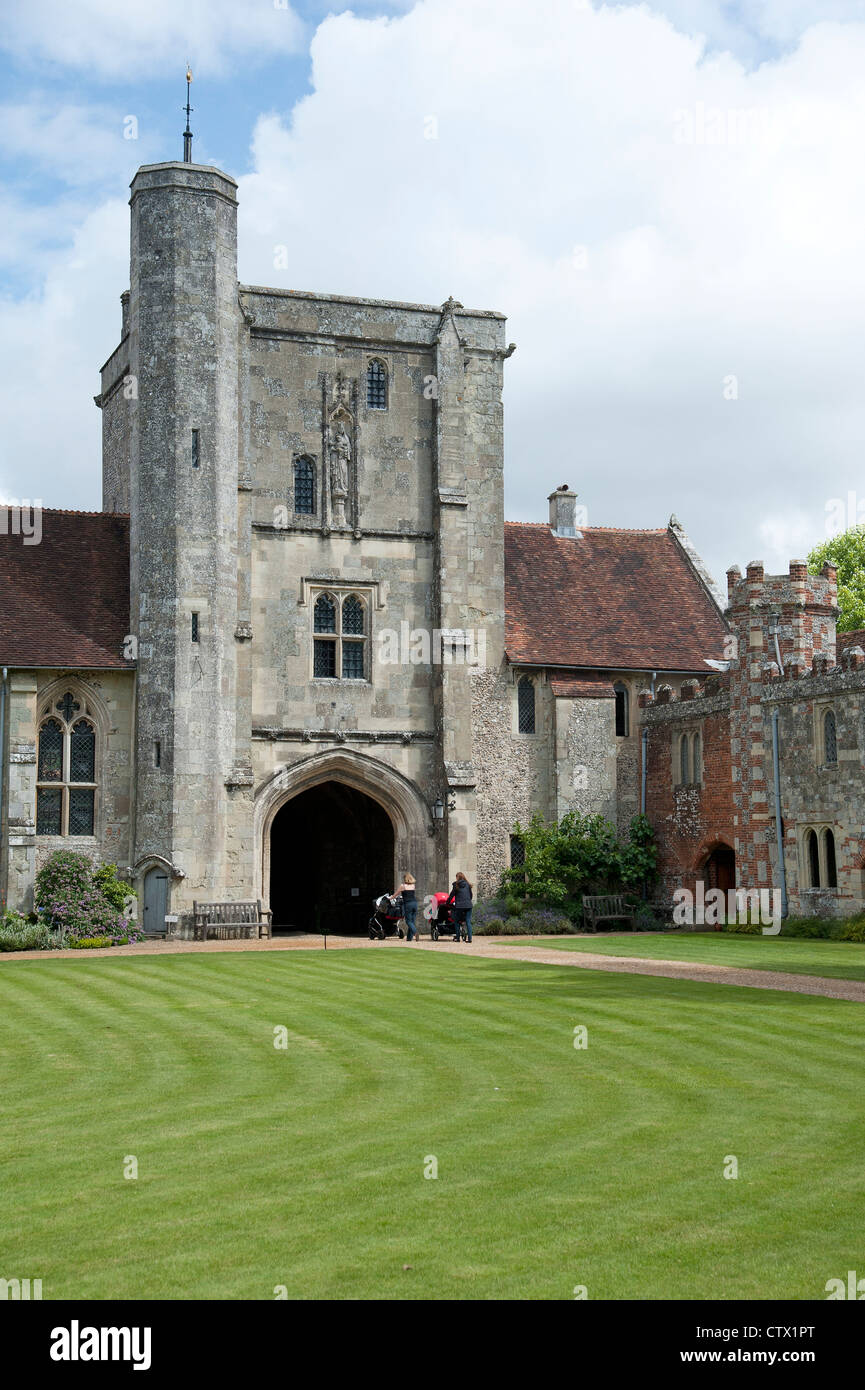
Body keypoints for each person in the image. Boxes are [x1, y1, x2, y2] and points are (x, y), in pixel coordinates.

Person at [446, 871, 473, 943]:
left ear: (457, 878)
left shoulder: (456, 885)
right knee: (468, 921)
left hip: (460, 906)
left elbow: (451, 896)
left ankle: (458, 938)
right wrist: (467, 901)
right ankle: (470, 939)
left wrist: (447, 903)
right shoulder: (467, 884)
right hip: (468, 905)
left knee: (457, 921)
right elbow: (470, 895)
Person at [395, 873, 418, 941]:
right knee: (412, 922)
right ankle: (409, 938)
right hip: (415, 904)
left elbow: (396, 894)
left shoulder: (403, 886)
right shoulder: (413, 886)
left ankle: (415, 932)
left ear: (405, 878)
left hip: (408, 905)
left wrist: (390, 898)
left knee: (408, 921)